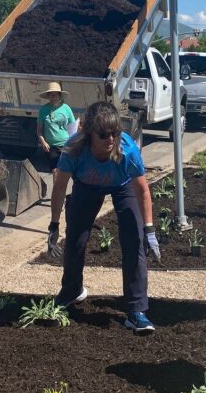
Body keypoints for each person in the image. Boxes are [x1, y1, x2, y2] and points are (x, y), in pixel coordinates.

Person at [47, 101, 160, 335]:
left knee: (133, 240)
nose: (111, 139)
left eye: (115, 133)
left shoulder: (127, 150)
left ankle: (136, 311)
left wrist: (149, 231)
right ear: (90, 135)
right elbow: (59, 188)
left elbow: (142, 190)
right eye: (104, 134)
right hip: (86, 187)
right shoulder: (74, 150)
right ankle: (71, 291)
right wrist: (54, 225)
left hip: (123, 186)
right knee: (76, 238)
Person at [37, 82, 76, 179]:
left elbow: (73, 129)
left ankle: (75, 192)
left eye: (55, 94)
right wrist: (43, 142)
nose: (53, 96)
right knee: (55, 171)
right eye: (51, 94)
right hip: (51, 147)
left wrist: (75, 144)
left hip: (66, 144)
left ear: (60, 95)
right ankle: (57, 193)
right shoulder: (43, 110)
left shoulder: (66, 109)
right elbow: (39, 130)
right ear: (48, 96)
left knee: (70, 170)